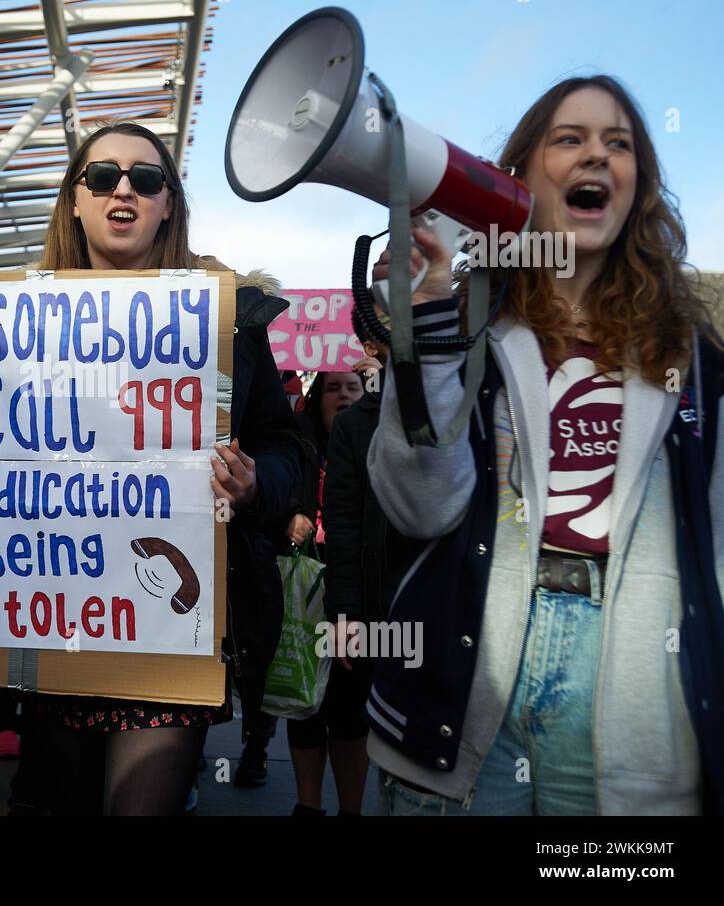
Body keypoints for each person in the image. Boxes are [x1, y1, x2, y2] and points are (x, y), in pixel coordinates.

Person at [0, 121, 301, 815]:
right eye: (102, 177)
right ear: (74, 200)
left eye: (146, 179)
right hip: (54, 633)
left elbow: (288, 453)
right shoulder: (14, 327)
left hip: (173, 642)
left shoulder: (228, 322)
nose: (124, 189)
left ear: (167, 204)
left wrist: (253, 484)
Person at [368, 75, 724, 814]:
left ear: (637, 187)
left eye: (617, 144)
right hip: (471, 678)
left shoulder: (695, 362)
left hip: (632, 693)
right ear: (521, 178)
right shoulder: (473, 329)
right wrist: (428, 326)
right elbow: (422, 507)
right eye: (570, 138)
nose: (596, 154)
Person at [311, 315, 425, 815]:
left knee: (420, 730)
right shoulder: (356, 425)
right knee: (351, 715)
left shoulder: (457, 408)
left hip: (436, 606)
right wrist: (343, 611)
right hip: (372, 605)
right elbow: (343, 520)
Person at [236, 367, 365, 804]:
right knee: (304, 703)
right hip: (299, 589)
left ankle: (350, 806)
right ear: (316, 396)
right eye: (334, 388)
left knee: (349, 711)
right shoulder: (296, 439)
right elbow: (268, 494)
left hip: (355, 589)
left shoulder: (373, 433)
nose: (344, 396)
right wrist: (288, 514)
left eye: (353, 387)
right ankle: (307, 805)